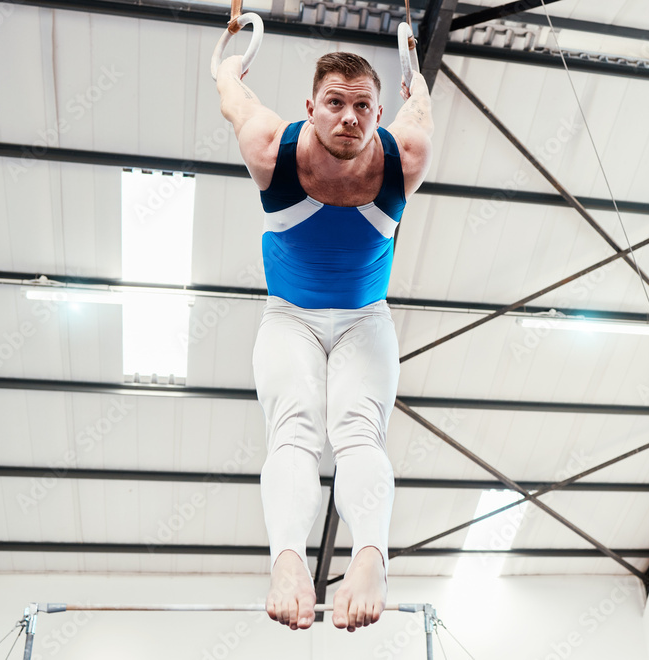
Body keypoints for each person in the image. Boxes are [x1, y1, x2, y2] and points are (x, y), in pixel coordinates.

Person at [215, 51, 433, 633]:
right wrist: (227, 67)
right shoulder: (270, 147)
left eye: (363, 106)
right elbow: (233, 99)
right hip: (291, 317)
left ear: (379, 112)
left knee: (360, 433)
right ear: (310, 109)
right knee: (295, 433)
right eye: (335, 103)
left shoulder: (404, 153)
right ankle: (287, 560)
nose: (349, 118)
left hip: (367, 318)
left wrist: (417, 86)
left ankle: (370, 557)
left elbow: (421, 109)